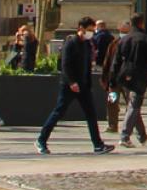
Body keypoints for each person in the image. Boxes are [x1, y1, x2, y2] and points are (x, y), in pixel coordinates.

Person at [36, 17, 113, 155]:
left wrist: (88, 83)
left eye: (93, 30)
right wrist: (71, 82)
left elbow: (87, 65)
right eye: (89, 30)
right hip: (69, 85)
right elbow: (65, 65)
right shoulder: (71, 43)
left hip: (83, 85)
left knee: (91, 114)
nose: (91, 33)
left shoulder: (87, 44)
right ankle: (41, 139)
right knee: (58, 112)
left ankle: (98, 145)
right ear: (81, 28)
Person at [114, 12, 147, 148]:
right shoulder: (145, 39)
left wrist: (114, 76)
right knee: (134, 105)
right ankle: (125, 136)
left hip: (124, 74)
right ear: (141, 23)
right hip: (139, 75)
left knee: (133, 105)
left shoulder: (124, 39)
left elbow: (116, 60)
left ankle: (142, 136)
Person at [100, 18, 131, 132]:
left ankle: (130, 126)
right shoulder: (113, 44)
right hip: (114, 81)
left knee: (130, 103)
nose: (123, 32)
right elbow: (107, 62)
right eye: (122, 29)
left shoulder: (133, 43)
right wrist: (106, 78)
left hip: (128, 80)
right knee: (111, 101)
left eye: (126, 30)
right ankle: (112, 125)